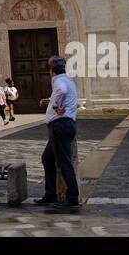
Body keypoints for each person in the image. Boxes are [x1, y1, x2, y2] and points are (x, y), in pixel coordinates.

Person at [36, 56, 80, 210]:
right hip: (66, 124)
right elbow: (68, 97)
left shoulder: (58, 81)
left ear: (51, 70)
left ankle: (72, 196)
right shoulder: (69, 80)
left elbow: (61, 91)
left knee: (64, 162)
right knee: (47, 158)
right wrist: (49, 101)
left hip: (59, 126)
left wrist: (55, 106)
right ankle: (50, 194)